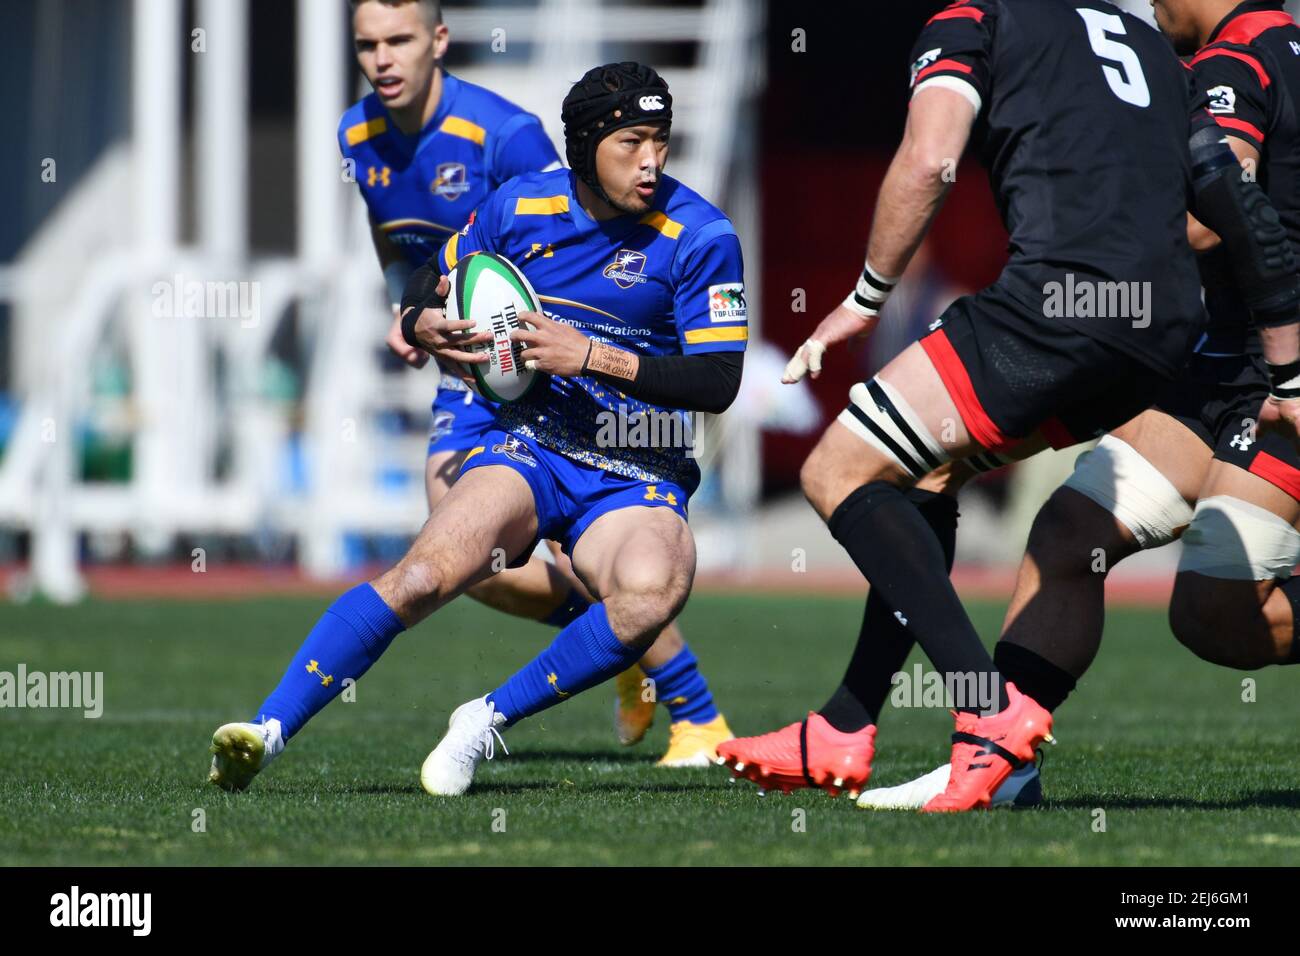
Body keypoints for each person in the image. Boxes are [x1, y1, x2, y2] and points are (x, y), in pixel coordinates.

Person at [718, 0, 1300, 812]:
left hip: (1079, 312)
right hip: (1173, 340)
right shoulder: (1149, 47)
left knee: (838, 468)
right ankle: (861, 726)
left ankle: (984, 714)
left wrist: (866, 297)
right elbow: (1236, 210)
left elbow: (929, 162)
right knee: (988, 498)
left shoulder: (979, 19)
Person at [209, 62, 743, 795]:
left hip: (637, 466)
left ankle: (484, 719)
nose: (651, 161)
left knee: (653, 589)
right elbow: (431, 277)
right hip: (528, 446)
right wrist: (417, 319)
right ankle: (265, 731)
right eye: (631, 142)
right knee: (427, 572)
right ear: (586, 146)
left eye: (661, 141)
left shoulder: (702, 234)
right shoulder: (519, 207)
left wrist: (588, 353)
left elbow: (718, 383)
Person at [339, 0, 728, 769]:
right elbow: (409, 246)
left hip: (538, 362)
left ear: (438, 41)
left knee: (582, 536)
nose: (383, 58)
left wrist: (575, 356)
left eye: (400, 40)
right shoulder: (356, 134)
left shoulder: (507, 136)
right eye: (367, 45)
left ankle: (694, 712)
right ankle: (616, 646)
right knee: (468, 563)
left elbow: (563, 240)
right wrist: (413, 313)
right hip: (470, 350)